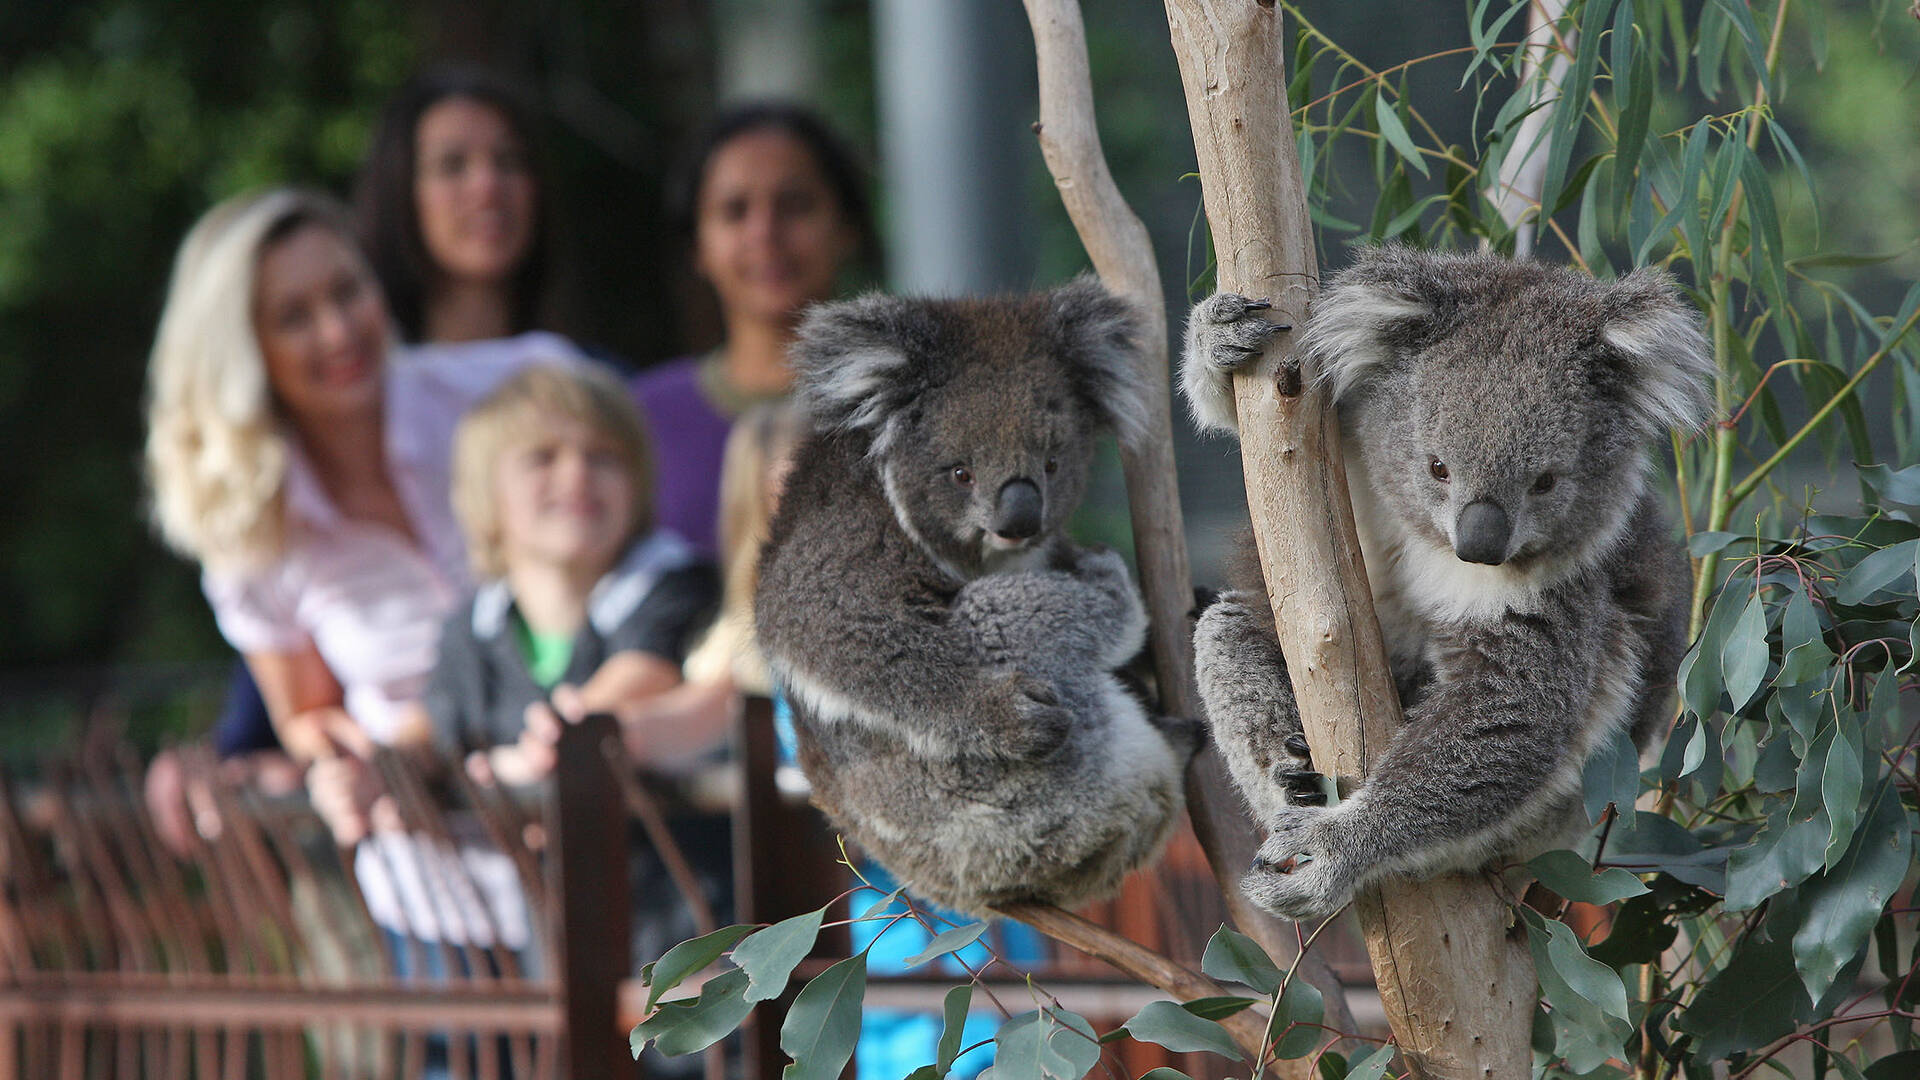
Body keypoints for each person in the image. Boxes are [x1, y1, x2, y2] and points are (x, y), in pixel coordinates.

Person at [424, 362, 718, 785]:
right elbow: (435, 732)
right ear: (484, 492)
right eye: (542, 457)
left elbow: (640, 677)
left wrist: (531, 757)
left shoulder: (678, 584)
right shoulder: (469, 628)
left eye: (603, 456)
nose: (577, 474)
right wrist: (382, 764)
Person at [631, 101, 874, 557]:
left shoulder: (894, 409)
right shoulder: (641, 420)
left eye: (794, 205)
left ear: (846, 227)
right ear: (697, 245)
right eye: (734, 210)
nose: (764, 232)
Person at [355, 66, 555, 346]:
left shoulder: (581, 369)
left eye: (508, 160)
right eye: (452, 165)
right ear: (398, 189)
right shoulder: (372, 373)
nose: (487, 186)